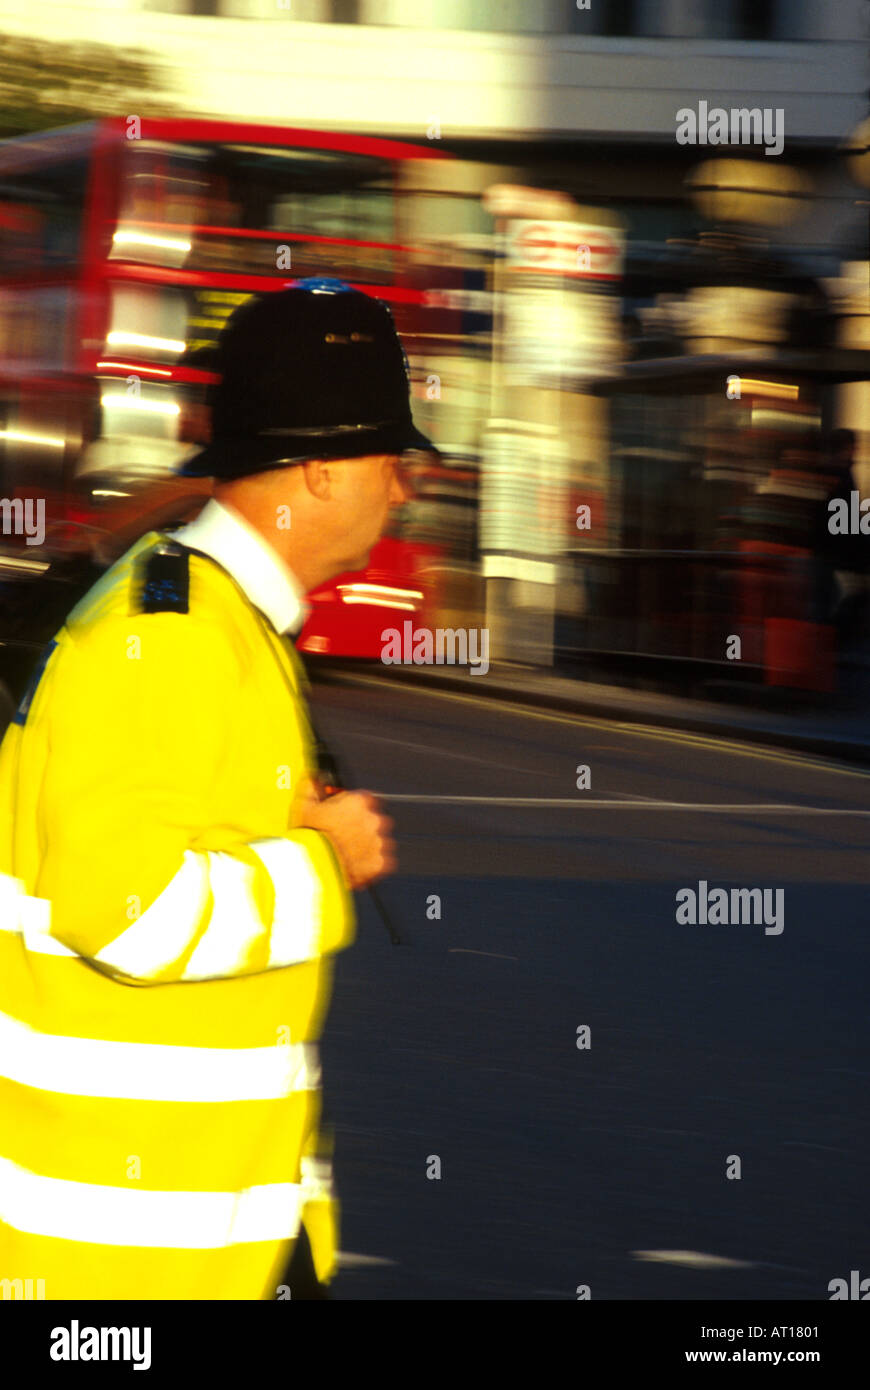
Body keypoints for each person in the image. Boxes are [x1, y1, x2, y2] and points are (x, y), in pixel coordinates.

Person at [0, 277, 434, 1299]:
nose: (404, 489)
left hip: (212, 1229)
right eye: (390, 459)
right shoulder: (173, 640)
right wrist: (324, 865)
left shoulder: (221, 621)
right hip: (121, 1259)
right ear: (320, 471)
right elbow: (125, 906)